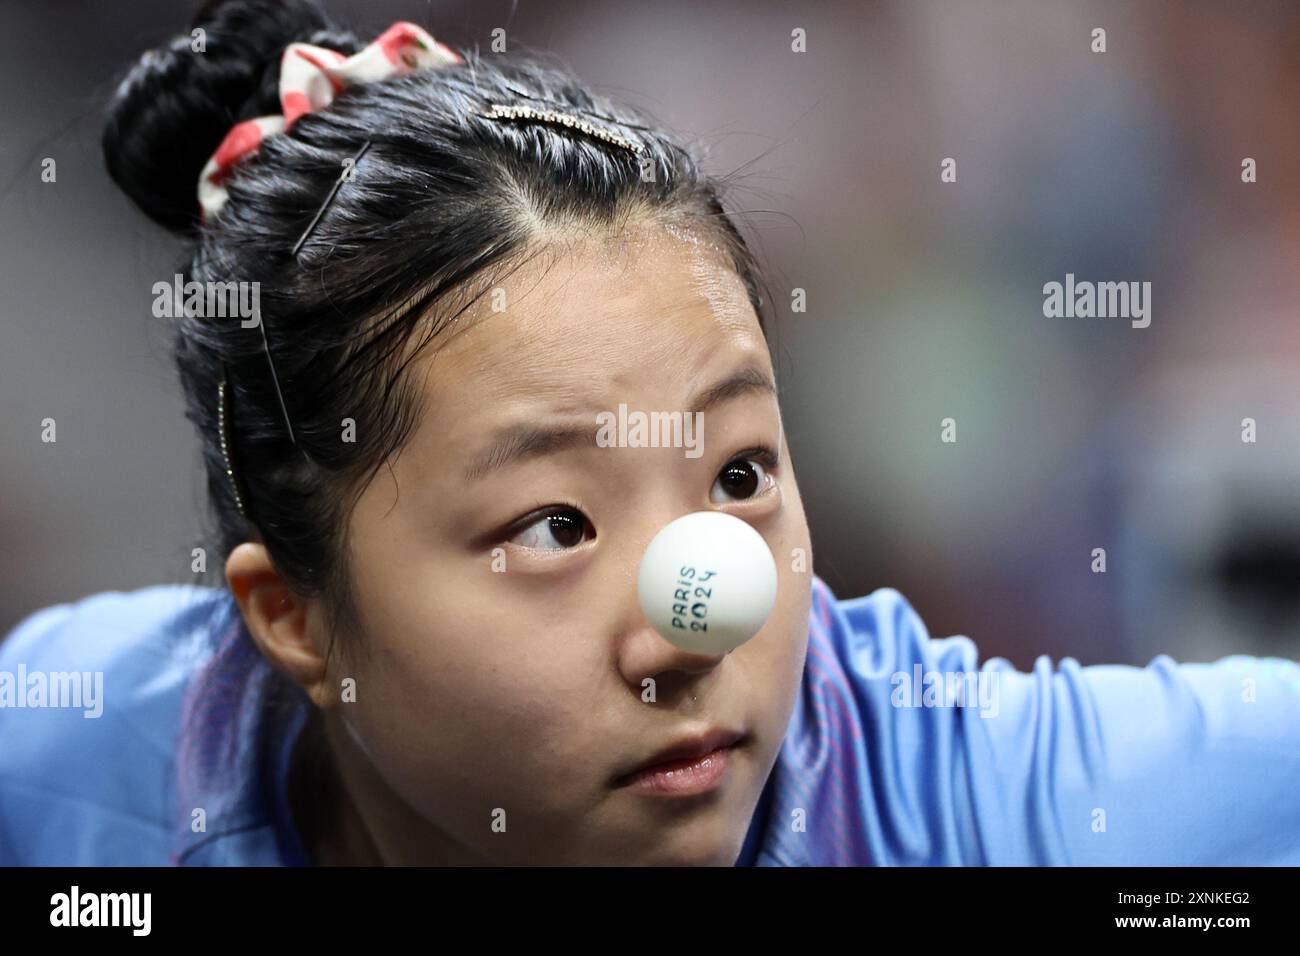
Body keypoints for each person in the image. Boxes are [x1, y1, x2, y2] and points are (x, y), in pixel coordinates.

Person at [3, 0, 1299, 866]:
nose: (704, 612)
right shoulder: (67, 764)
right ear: (295, 618)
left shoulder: (1021, 814)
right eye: (555, 525)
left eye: (740, 474)